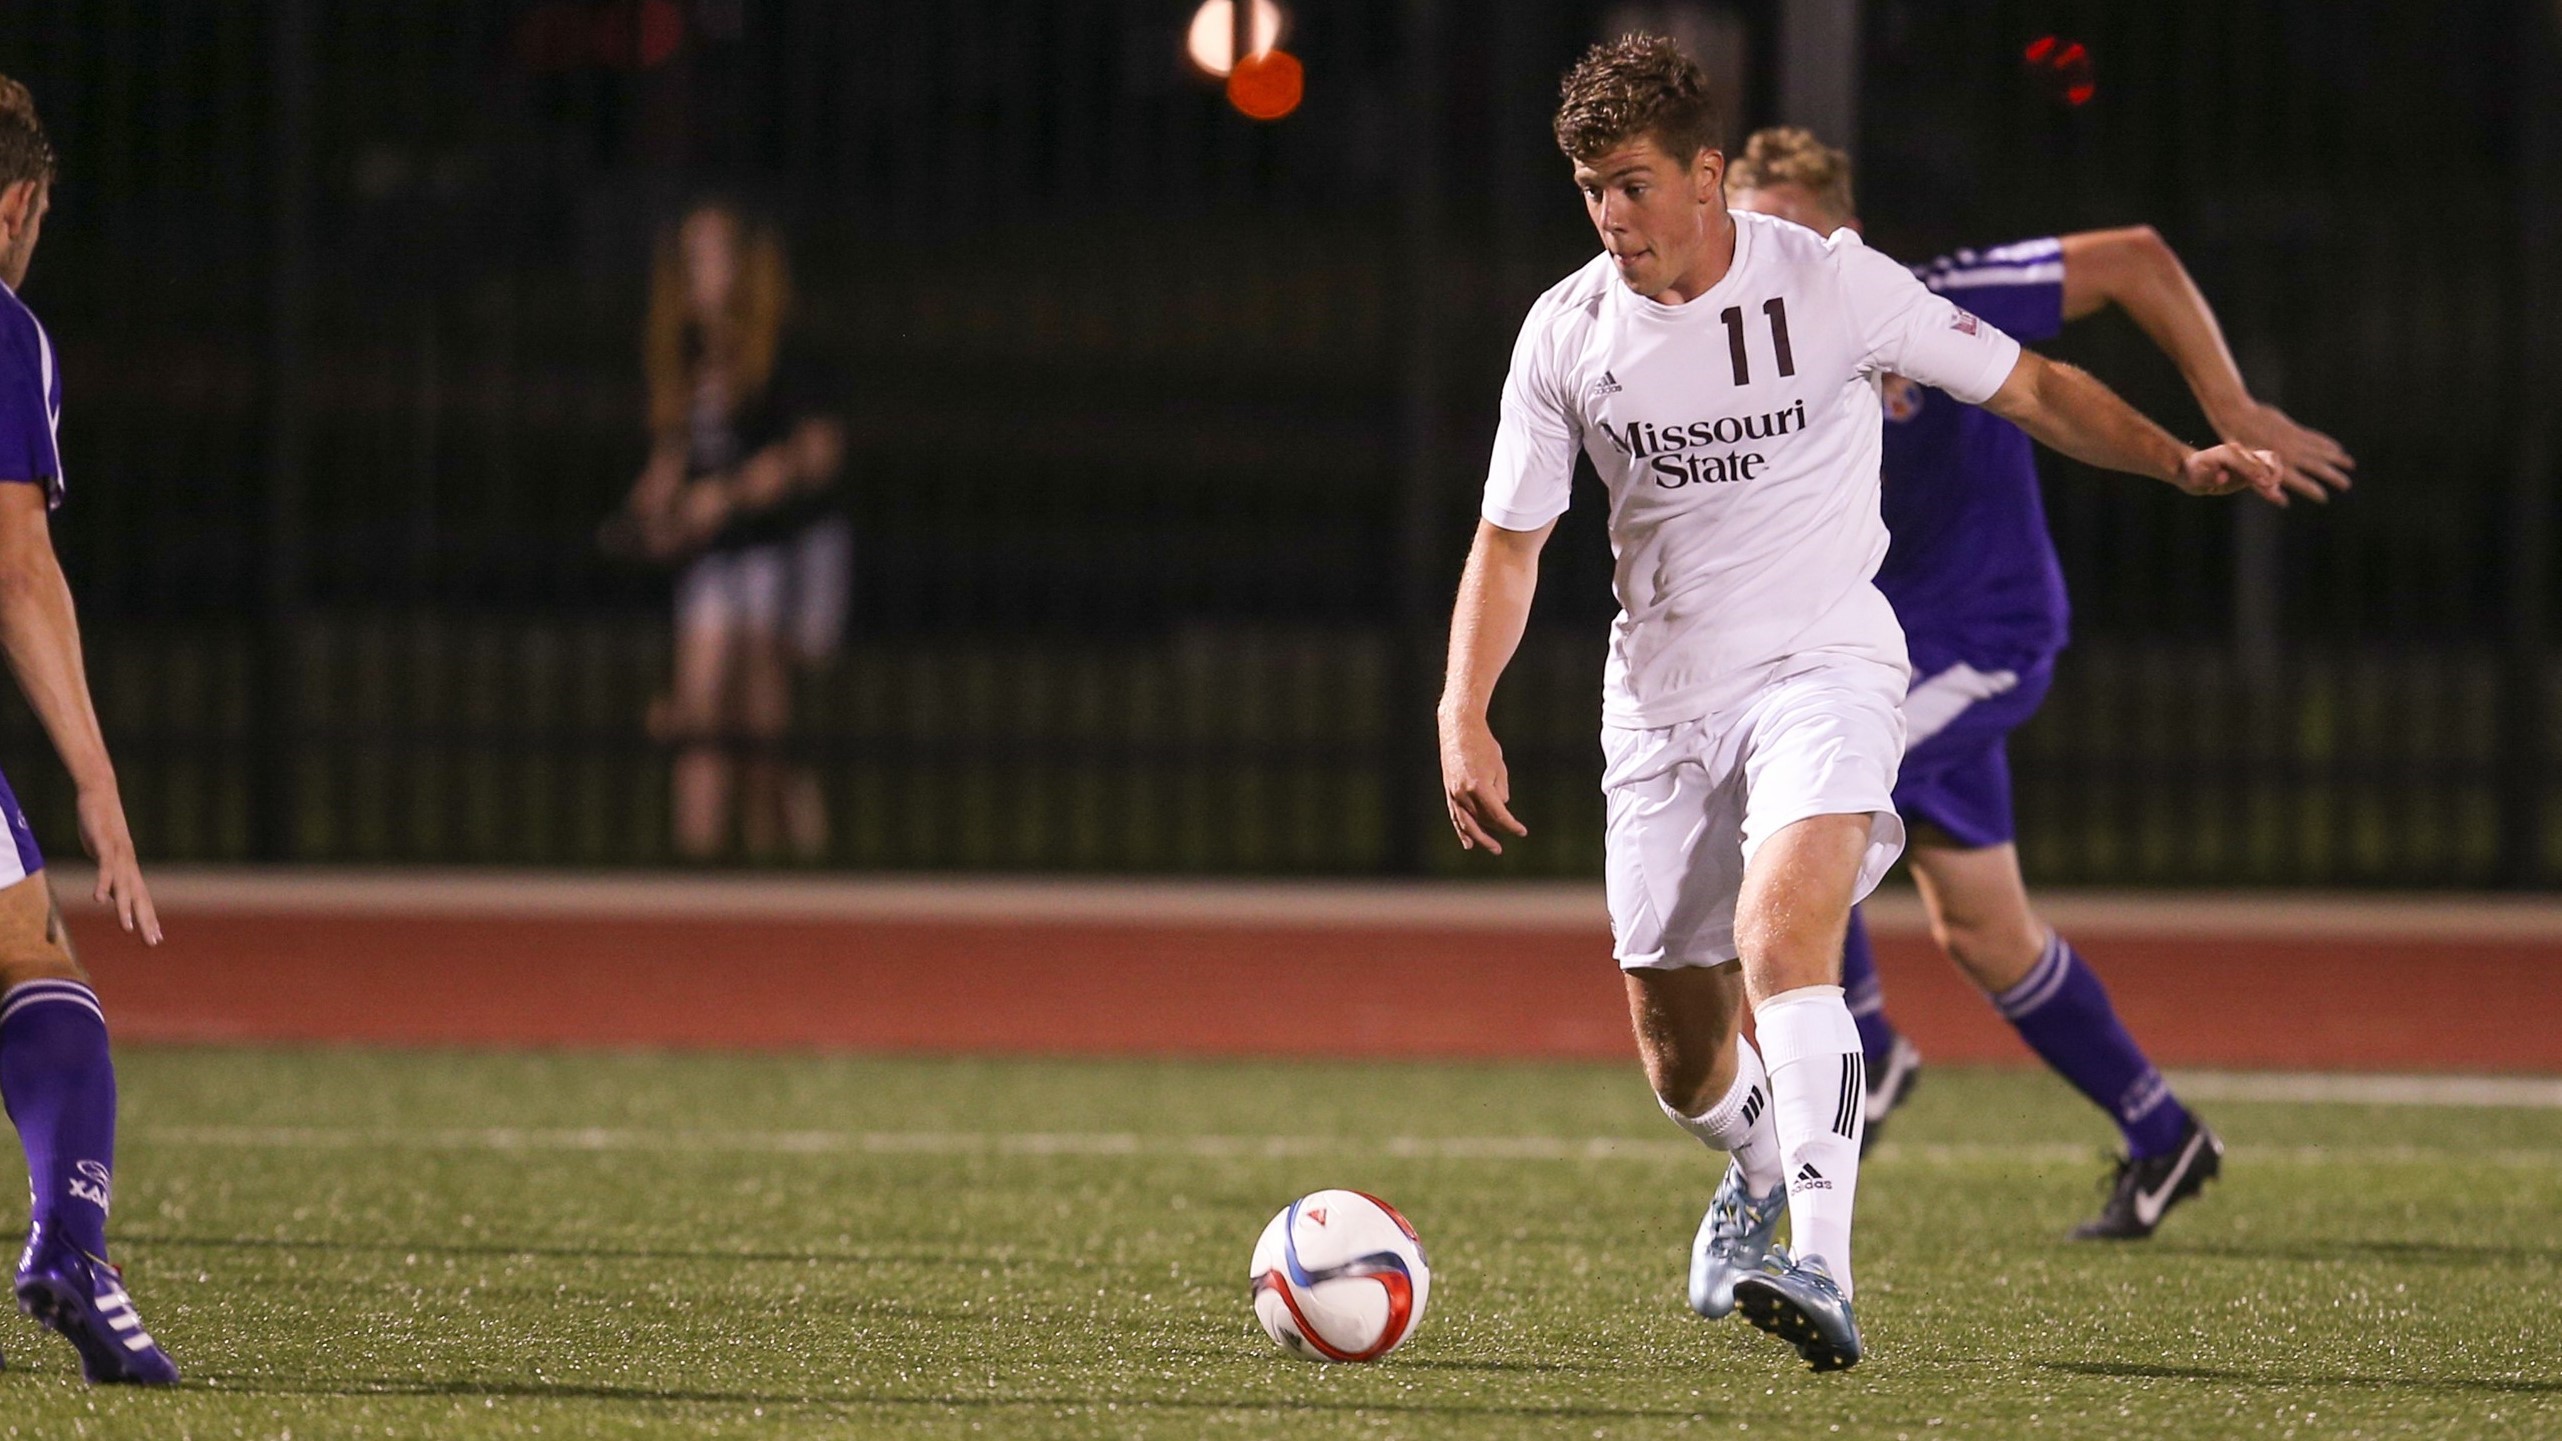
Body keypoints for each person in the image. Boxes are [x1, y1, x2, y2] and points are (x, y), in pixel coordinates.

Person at [1438, 37, 2286, 1371]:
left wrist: (2180, 461)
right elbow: (1508, 543)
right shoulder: (1564, 332)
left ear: (1707, 176)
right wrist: (1460, 708)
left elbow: (2035, 385)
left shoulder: (1834, 285)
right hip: (1661, 703)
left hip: (1826, 667)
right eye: (1591, 188)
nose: (1610, 213)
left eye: (1634, 183)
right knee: (1676, 1052)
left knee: (1789, 939)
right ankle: (1760, 1162)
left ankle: (1819, 1266)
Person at [1726, 127, 2354, 1239]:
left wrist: (2232, 410)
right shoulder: (1740, 356)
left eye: (1798, 230)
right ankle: (2163, 1133)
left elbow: (2136, 259)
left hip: (1982, 634)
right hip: (1885, 650)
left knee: (1802, 791)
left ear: (1850, 237)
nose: (1779, 254)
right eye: (1756, 232)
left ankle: (1864, 1047)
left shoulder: (1928, 302)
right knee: (1984, 931)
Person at [0, 75, 178, 1386]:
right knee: (43, 984)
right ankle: (71, 1238)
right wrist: (99, 781)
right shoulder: (7, 335)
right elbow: (16, 567)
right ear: (15, 205)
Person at [608, 199, 847, 862]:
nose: (702, 273)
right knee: (704, 705)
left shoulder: (780, 346)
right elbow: (672, 459)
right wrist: (652, 507)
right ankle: (697, 860)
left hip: (776, 549)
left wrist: (726, 496)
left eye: (714, 255)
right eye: (692, 258)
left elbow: (817, 453)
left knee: (758, 721)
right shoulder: (683, 354)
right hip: (711, 555)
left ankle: (774, 854)